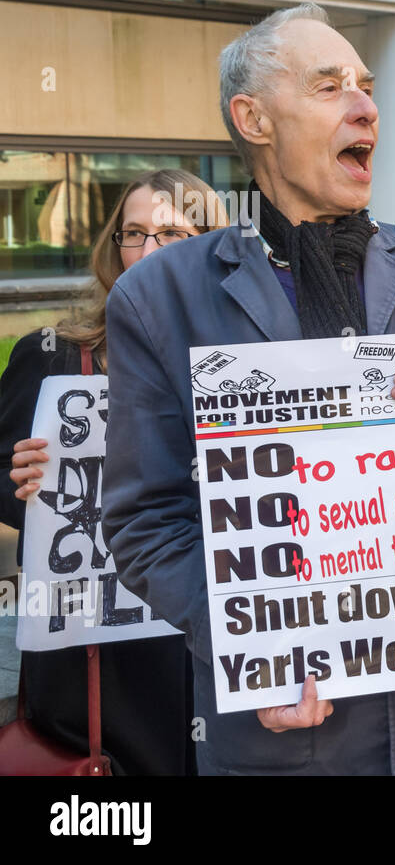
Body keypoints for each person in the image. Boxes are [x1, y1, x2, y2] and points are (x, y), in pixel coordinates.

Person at [100, 2, 395, 775]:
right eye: (329, 86)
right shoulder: (158, 298)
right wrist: (246, 640)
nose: (366, 105)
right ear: (253, 118)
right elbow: (145, 523)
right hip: (282, 738)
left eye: (366, 86)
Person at [1, 168, 228, 775]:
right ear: (115, 246)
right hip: (97, 659)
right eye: (134, 233)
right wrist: (21, 484)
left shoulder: (246, 364)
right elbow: (2, 479)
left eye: (173, 232)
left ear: (212, 246)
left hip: (207, 641)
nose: (149, 250)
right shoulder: (52, 356)